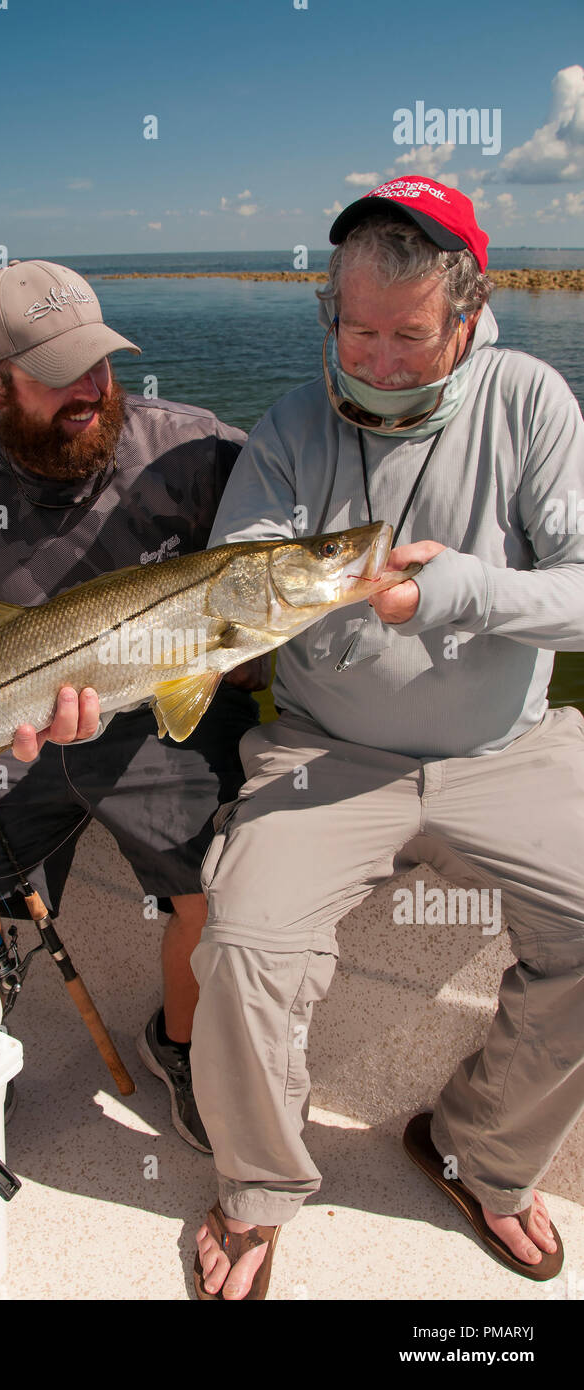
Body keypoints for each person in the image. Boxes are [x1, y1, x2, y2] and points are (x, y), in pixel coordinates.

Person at [181, 178, 584, 1298]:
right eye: (355, 329)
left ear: (467, 311)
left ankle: (478, 1152)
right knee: (245, 945)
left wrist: (461, 589)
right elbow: (227, 592)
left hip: (504, 747)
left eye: (408, 334)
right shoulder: (286, 429)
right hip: (325, 750)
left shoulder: (531, 400)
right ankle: (256, 1190)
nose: (379, 359)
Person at [0, 258, 261, 1151]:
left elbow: (278, 556)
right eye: (57, 376)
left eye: (98, 362)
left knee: (214, 899)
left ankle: (179, 1043)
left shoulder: (199, 450)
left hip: (165, 731)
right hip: (7, 728)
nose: (91, 389)